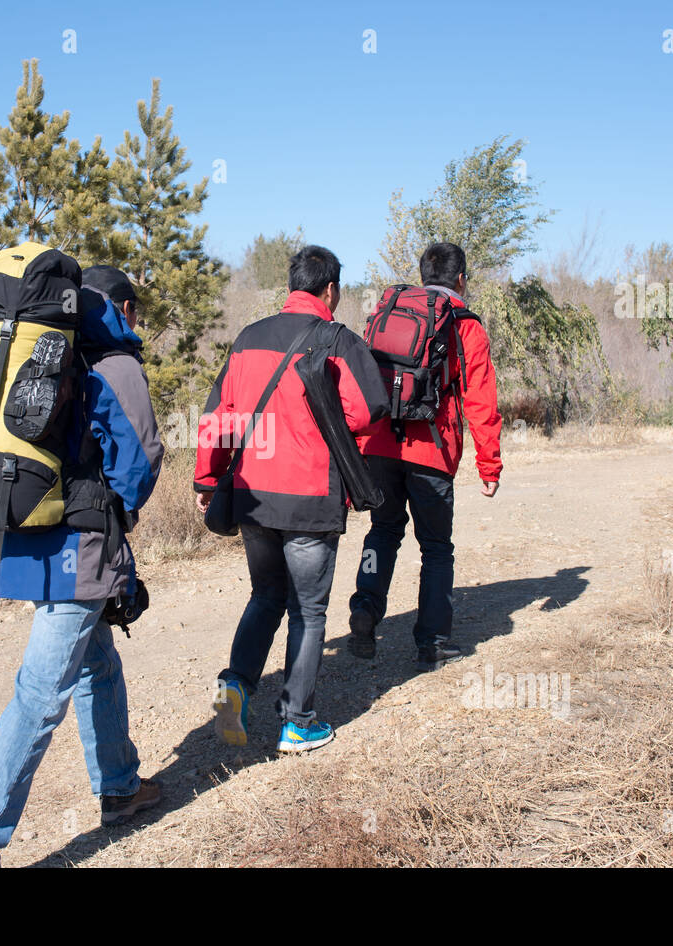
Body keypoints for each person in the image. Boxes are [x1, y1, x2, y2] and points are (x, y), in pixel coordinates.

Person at [0, 266, 164, 868]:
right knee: (38, 698)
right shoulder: (116, 366)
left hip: (28, 542)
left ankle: (119, 786)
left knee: (97, 664)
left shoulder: (39, 352)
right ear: (121, 307)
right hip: (80, 552)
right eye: (134, 309)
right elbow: (139, 468)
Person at [195, 245, 389, 753]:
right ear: (330, 290)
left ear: (291, 285)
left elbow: (220, 417)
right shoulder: (339, 341)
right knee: (308, 610)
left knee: (265, 596)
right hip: (310, 498)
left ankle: (236, 684)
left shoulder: (248, 338)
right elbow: (370, 411)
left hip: (254, 498)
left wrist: (207, 479)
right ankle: (298, 723)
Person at [349, 242, 502, 671]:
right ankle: (432, 642)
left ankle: (365, 606)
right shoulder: (464, 325)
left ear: (422, 277)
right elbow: (481, 401)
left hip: (380, 446)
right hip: (432, 452)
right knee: (435, 548)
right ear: (461, 279)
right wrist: (489, 465)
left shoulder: (392, 313)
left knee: (382, 532)